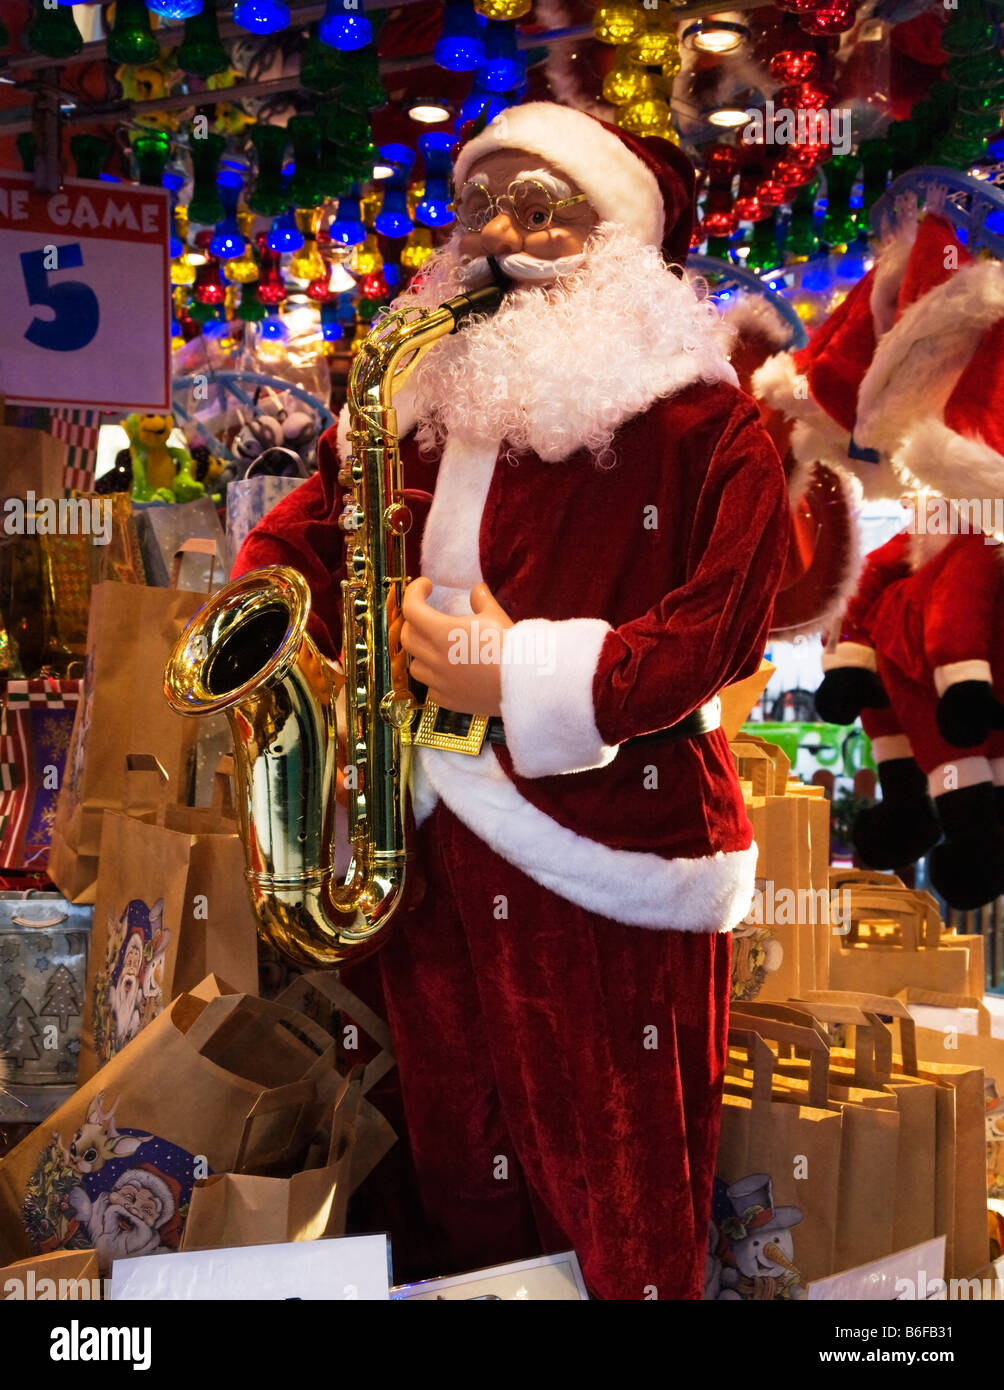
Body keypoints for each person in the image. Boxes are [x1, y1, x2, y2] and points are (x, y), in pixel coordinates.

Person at [234, 102, 790, 1300]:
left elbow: (719, 626)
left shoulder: (706, 425)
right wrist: (268, 608)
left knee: (617, 1183)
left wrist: (519, 672)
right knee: (448, 1173)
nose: (498, 238)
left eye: (539, 208)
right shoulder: (411, 399)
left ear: (621, 243)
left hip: (609, 849)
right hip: (420, 836)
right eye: (478, 205)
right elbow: (306, 543)